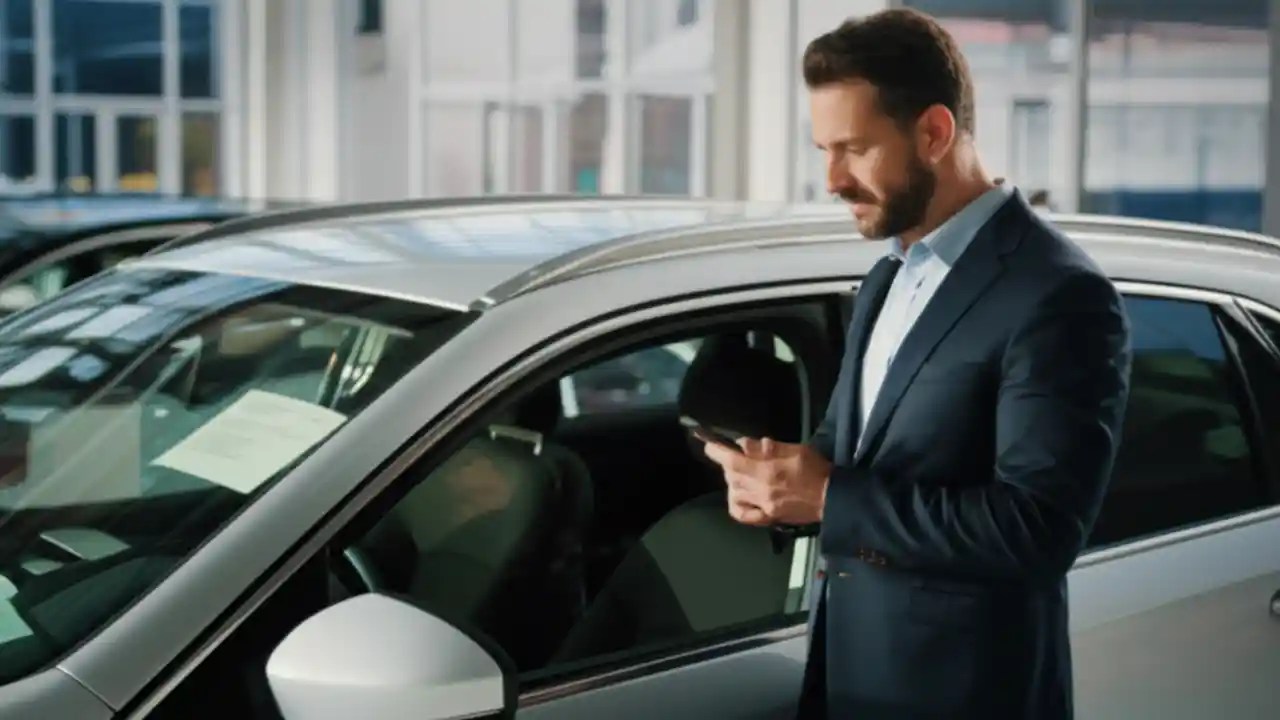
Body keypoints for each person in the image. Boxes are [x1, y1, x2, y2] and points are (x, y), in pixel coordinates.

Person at [700, 9, 1132, 719]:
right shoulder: (886, 278)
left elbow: (1038, 531)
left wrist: (832, 499)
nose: (832, 179)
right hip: (850, 677)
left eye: (854, 149)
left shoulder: (1059, 295)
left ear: (934, 132)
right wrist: (782, 485)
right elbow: (849, 457)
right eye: (822, 150)